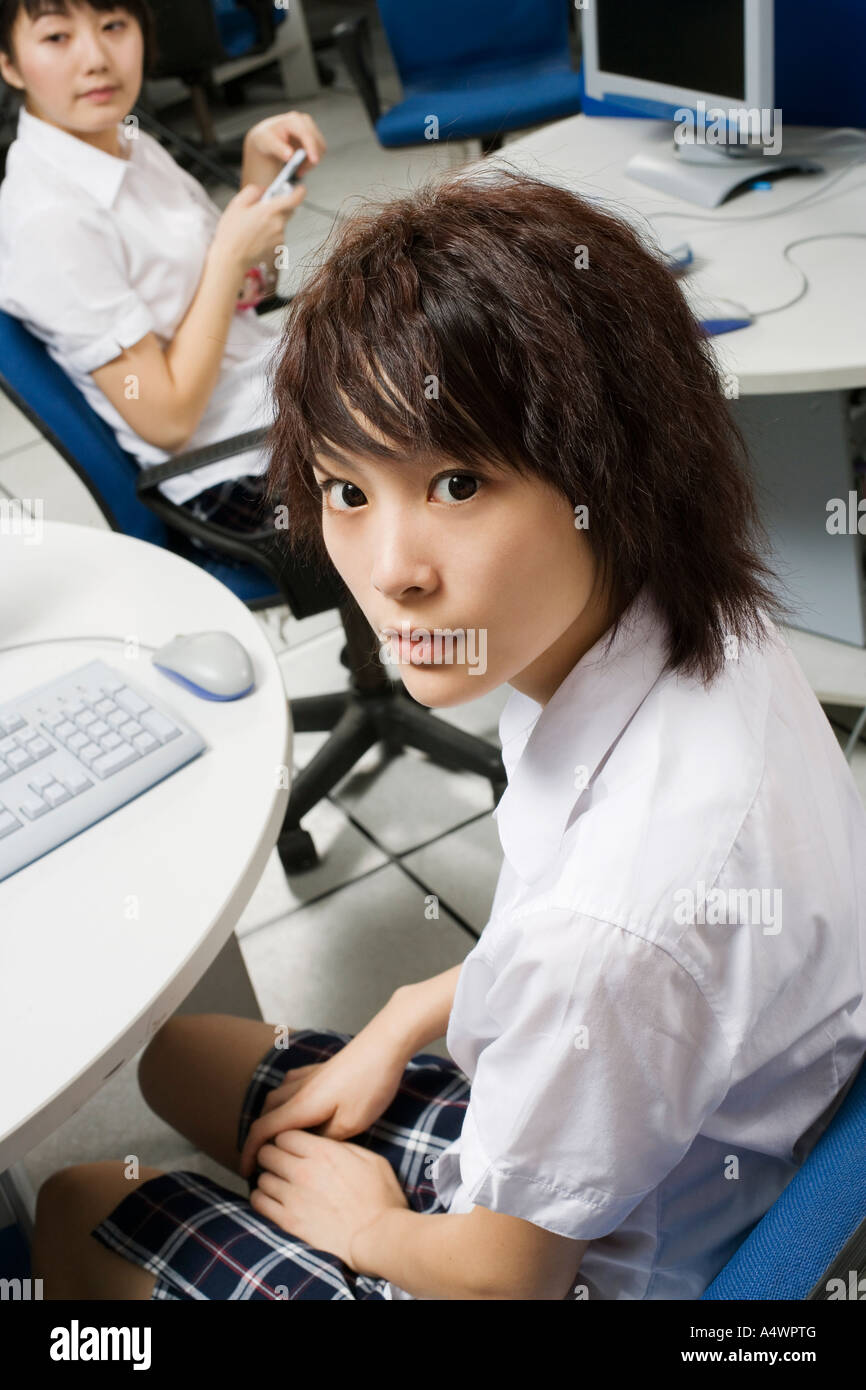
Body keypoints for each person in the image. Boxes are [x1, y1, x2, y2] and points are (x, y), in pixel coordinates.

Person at [30, 166, 866, 1300]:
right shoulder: (695, 615)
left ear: (607, 469)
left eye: (457, 483)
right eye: (346, 490)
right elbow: (574, 933)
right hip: (637, 1130)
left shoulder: (611, 926)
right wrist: (402, 1013)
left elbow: (506, 1275)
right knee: (183, 1054)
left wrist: (369, 1227)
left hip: (546, 1266)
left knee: (83, 1198)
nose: (389, 577)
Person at [0, 0, 325, 558]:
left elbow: (253, 289)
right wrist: (227, 255)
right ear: (8, 64)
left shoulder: (128, 142)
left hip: (286, 403)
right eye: (57, 37)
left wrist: (258, 177)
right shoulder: (49, 217)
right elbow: (168, 420)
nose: (97, 59)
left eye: (113, 26)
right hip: (238, 474)